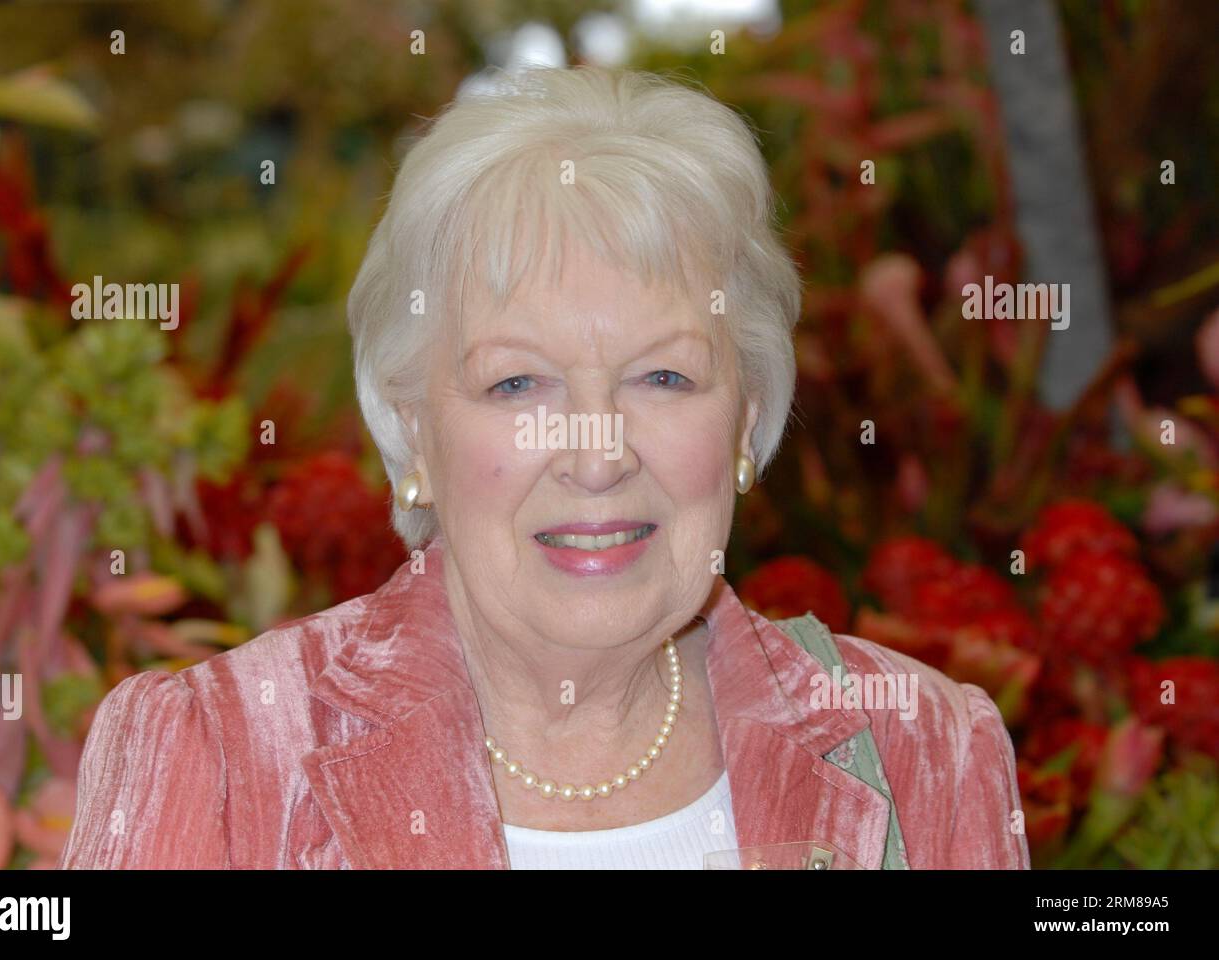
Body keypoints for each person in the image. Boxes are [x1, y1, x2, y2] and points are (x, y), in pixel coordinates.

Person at [58, 65, 1029, 869]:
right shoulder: (216, 755)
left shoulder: (924, 748)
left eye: (663, 374)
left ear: (745, 416)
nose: (598, 455)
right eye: (519, 384)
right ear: (412, 428)